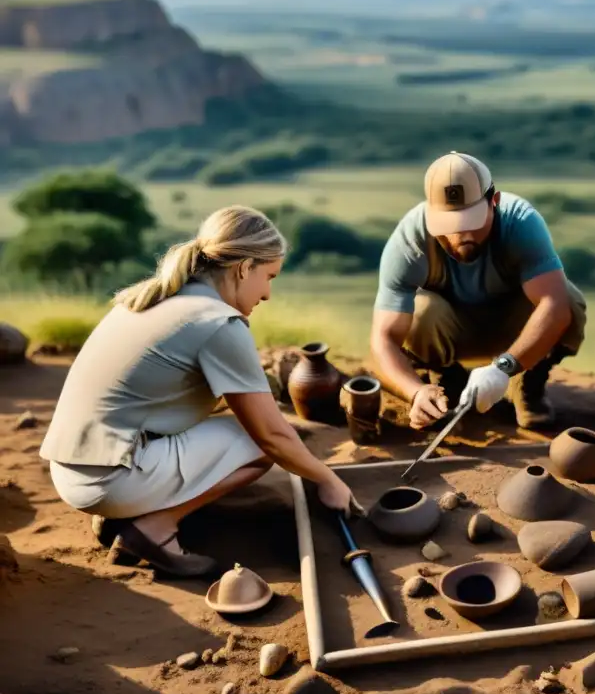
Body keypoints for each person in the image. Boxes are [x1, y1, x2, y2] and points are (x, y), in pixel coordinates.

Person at [41, 206, 361, 578]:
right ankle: (152, 529)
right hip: (107, 481)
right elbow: (272, 435)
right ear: (243, 268)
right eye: (269, 276)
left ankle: (128, 510)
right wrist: (328, 479)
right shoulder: (217, 323)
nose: (268, 294)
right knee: (260, 444)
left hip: (71, 468)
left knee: (248, 425)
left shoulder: (152, 298)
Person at [370, 150, 587, 432]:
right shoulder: (410, 241)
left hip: (513, 327)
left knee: (568, 299)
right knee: (421, 311)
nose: (464, 236)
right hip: (448, 331)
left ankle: (527, 381)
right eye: (450, 225)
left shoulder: (520, 222)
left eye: (473, 221)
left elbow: (554, 306)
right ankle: (444, 384)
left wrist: (504, 368)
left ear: (493, 202)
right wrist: (414, 391)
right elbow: (383, 339)